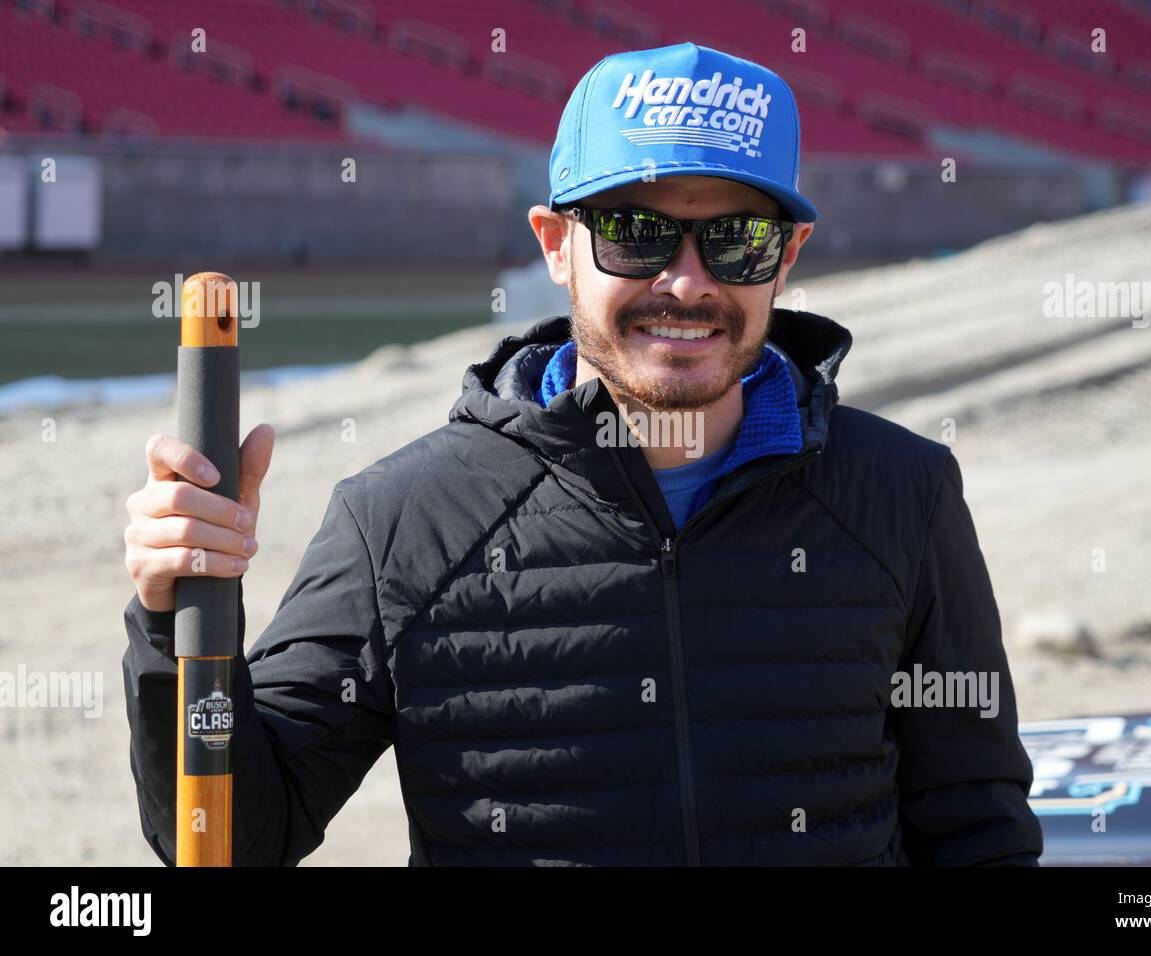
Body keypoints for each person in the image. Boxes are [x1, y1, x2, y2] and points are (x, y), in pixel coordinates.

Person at [122, 42, 1042, 866]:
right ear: (556, 247)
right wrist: (177, 627)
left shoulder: (904, 491)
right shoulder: (399, 519)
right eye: (635, 233)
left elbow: (976, 827)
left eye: (737, 240)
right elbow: (236, 839)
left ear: (788, 255)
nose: (687, 282)